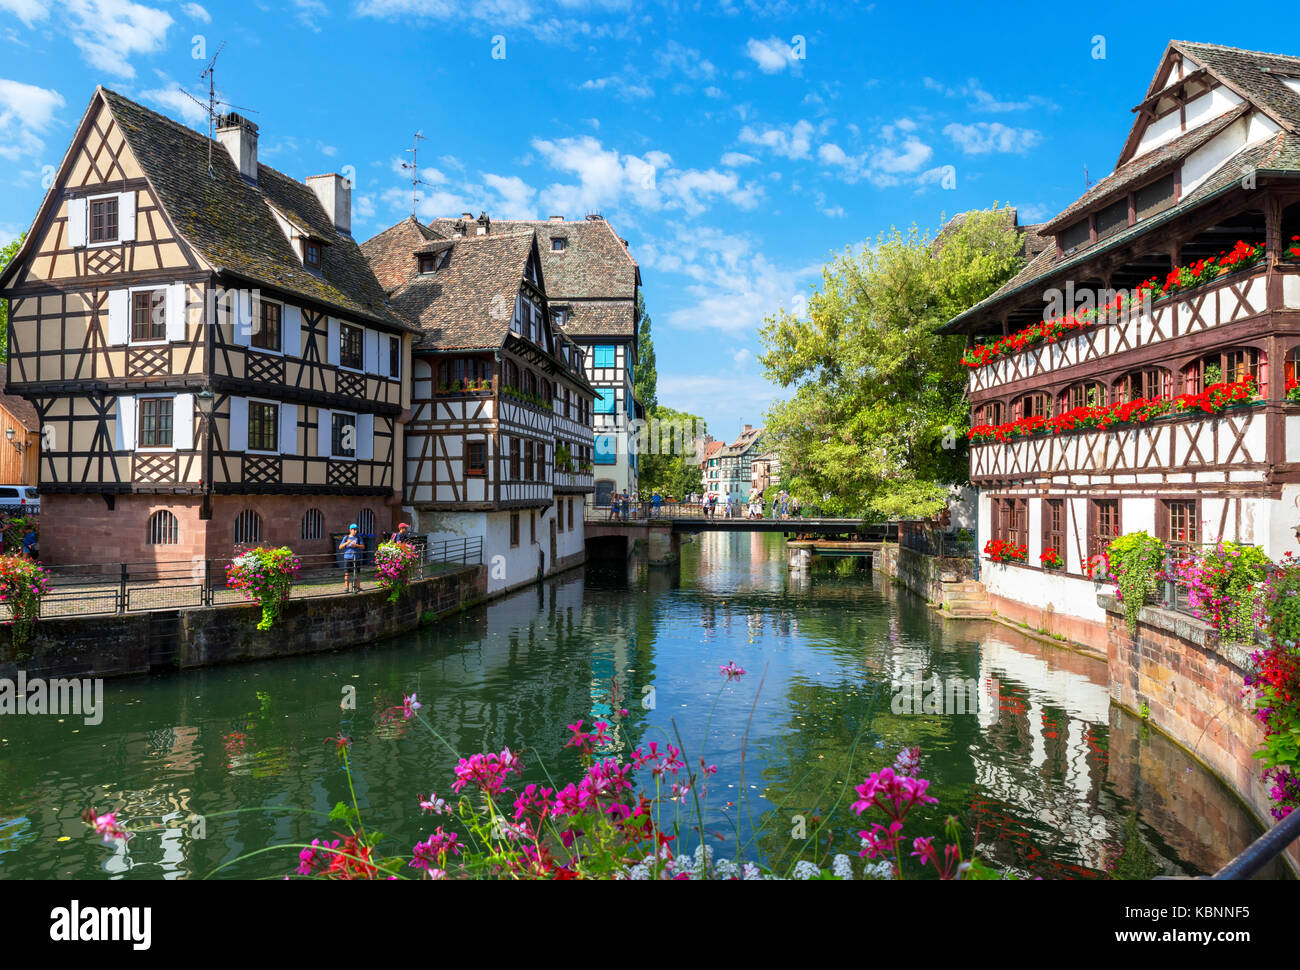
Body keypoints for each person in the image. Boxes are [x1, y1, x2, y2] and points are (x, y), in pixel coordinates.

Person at [339, 523, 364, 592]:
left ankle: (358, 587)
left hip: (357, 557)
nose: (355, 531)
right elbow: (340, 547)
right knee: (347, 573)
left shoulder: (359, 537)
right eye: (354, 530)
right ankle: (347, 588)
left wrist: (356, 545)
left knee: (357, 573)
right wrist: (347, 543)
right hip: (347, 557)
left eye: (356, 530)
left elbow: (363, 547)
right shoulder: (346, 537)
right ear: (350, 530)